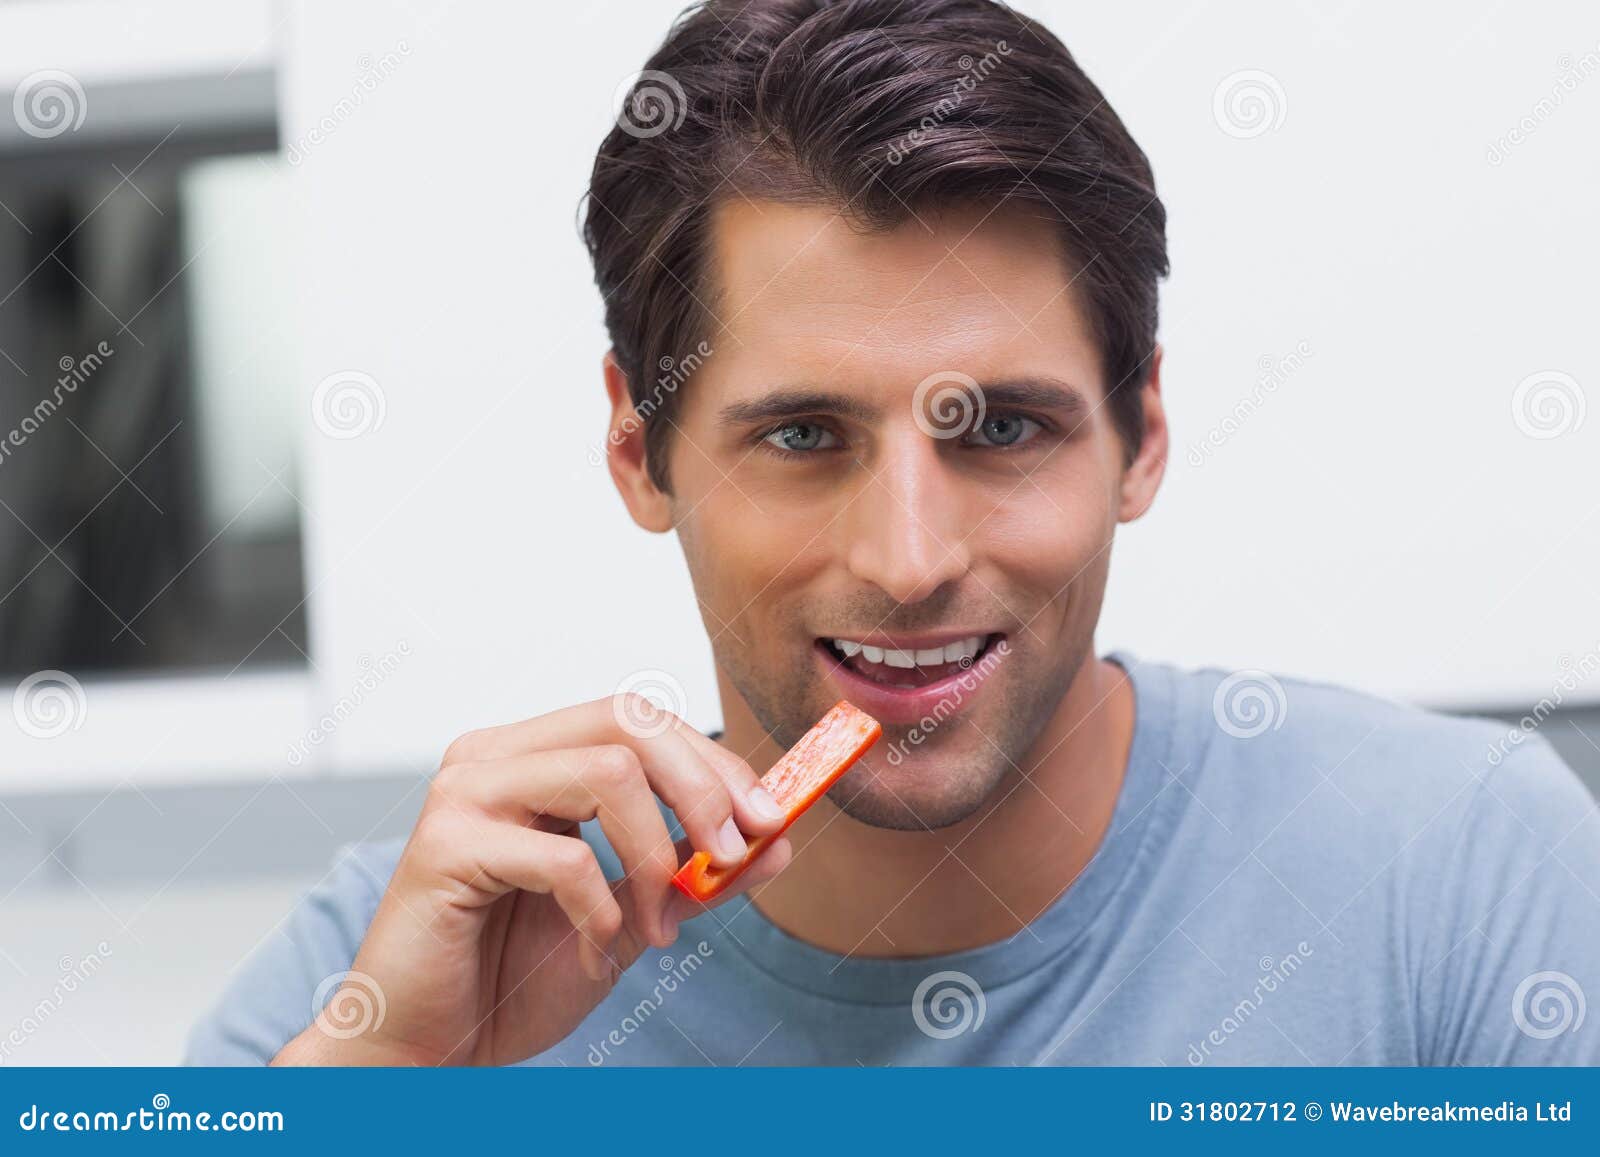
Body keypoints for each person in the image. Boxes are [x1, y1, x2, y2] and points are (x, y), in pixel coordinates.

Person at [188, 0, 1600, 1066]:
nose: (909, 559)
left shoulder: (1463, 881)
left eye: (999, 429)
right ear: (641, 449)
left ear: (1143, 437)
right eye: (803, 436)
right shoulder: (388, 970)